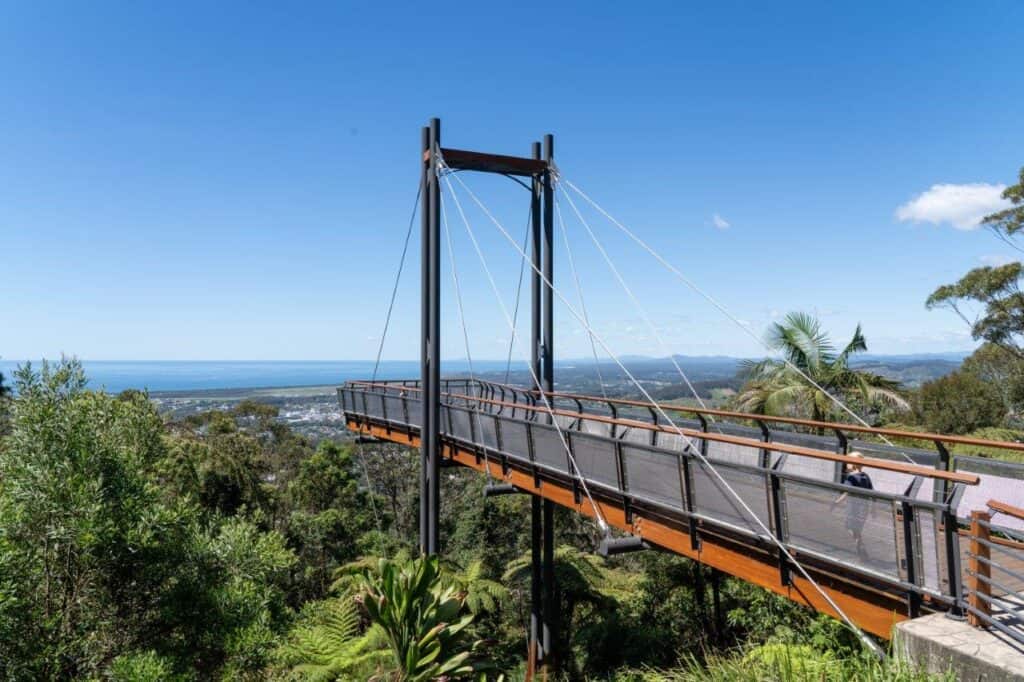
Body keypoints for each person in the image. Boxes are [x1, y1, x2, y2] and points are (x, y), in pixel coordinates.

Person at [833, 451, 873, 562]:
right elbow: (872, 492)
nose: (846, 464)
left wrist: (836, 502)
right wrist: (873, 509)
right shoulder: (866, 476)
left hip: (853, 509)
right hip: (864, 508)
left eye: (847, 462)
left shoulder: (851, 478)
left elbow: (847, 492)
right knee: (856, 530)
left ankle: (862, 552)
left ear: (853, 464)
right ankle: (862, 551)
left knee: (851, 528)